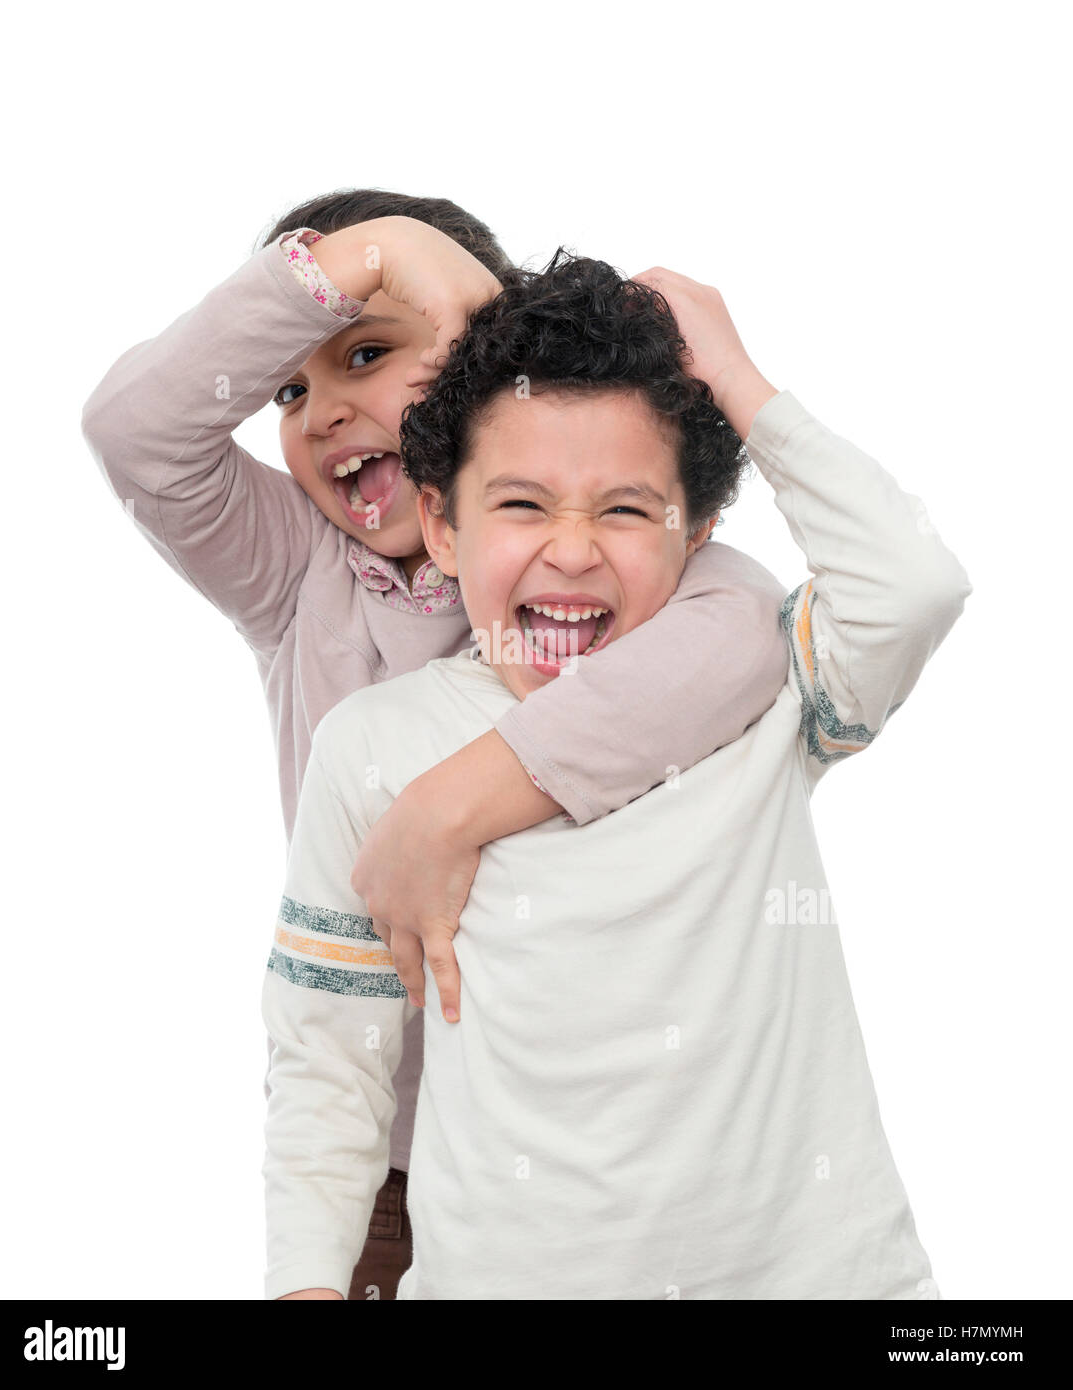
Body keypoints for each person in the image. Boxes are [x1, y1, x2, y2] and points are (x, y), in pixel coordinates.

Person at [79, 191, 792, 1298]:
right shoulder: (298, 575)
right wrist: (366, 261)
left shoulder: (583, 569)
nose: (320, 413)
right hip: (387, 1156)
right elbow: (135, 431)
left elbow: (750, 623)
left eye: (365, 353)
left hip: (614, 1151)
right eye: (290, 386)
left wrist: (450, 805)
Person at [261, 250, 971, 1301]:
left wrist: (741, 384)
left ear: (698, 534)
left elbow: (912, 585)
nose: (574, 550)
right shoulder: (374, 746)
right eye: (521, 505)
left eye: (628, 511)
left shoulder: (763, 695)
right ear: (443, 527)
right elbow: (328, 1061)